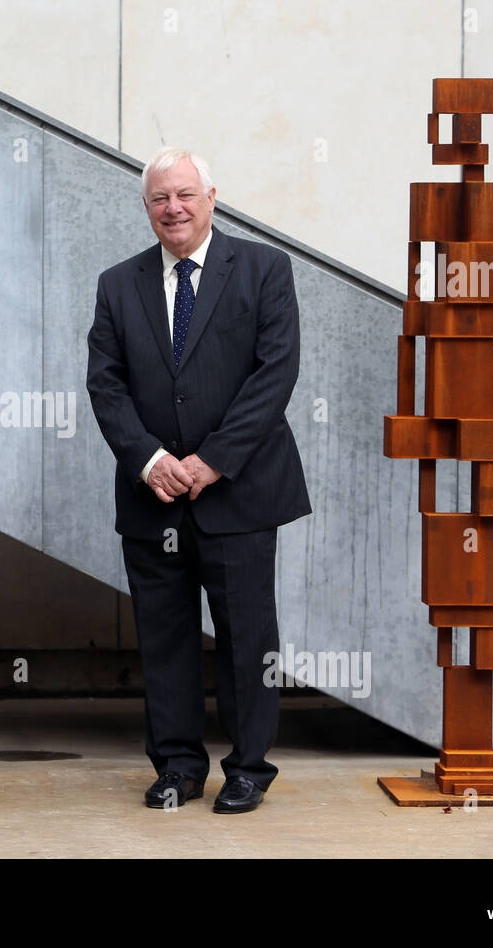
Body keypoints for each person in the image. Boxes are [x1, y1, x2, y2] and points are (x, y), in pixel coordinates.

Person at [86, 147, 311, 814]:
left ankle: (247, 767)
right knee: (165, 636)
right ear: (147, 207)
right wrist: (150, 459)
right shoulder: (118, 283)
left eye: (185, 194)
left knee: (247, 636)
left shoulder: (265, 269)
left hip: (239, 490)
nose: (173, 208)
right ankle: (178, 766)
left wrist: (212, 459)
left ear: (211, 196)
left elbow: (276, 374)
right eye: (160, 198)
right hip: (152, 494)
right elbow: (105, 383)